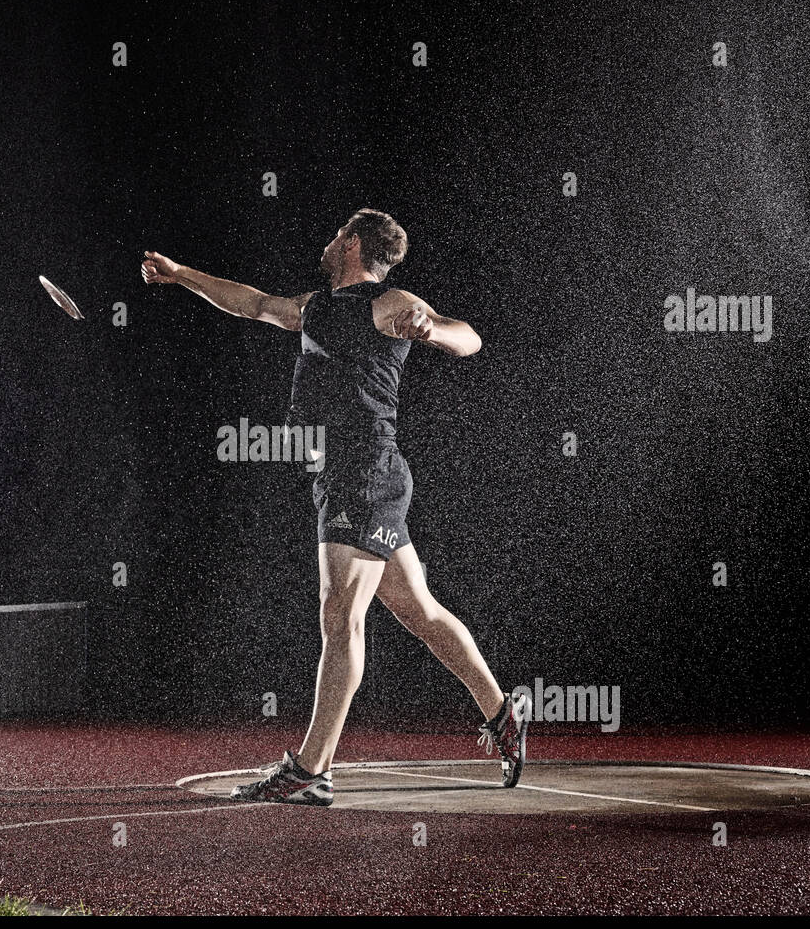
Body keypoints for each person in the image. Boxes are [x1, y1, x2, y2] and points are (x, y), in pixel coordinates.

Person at [141, 208, 528, 805]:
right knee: (419, 612)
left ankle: (311, 768)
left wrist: (432, 331)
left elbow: (467, 335)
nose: (326, 240)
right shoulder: (319, 307)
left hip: (364, 470)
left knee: (340, 614)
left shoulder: (387, 301)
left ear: (351, 242)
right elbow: (255, 303)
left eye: (335, 233)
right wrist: (180, 274)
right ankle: (503, 713)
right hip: (343, 474)